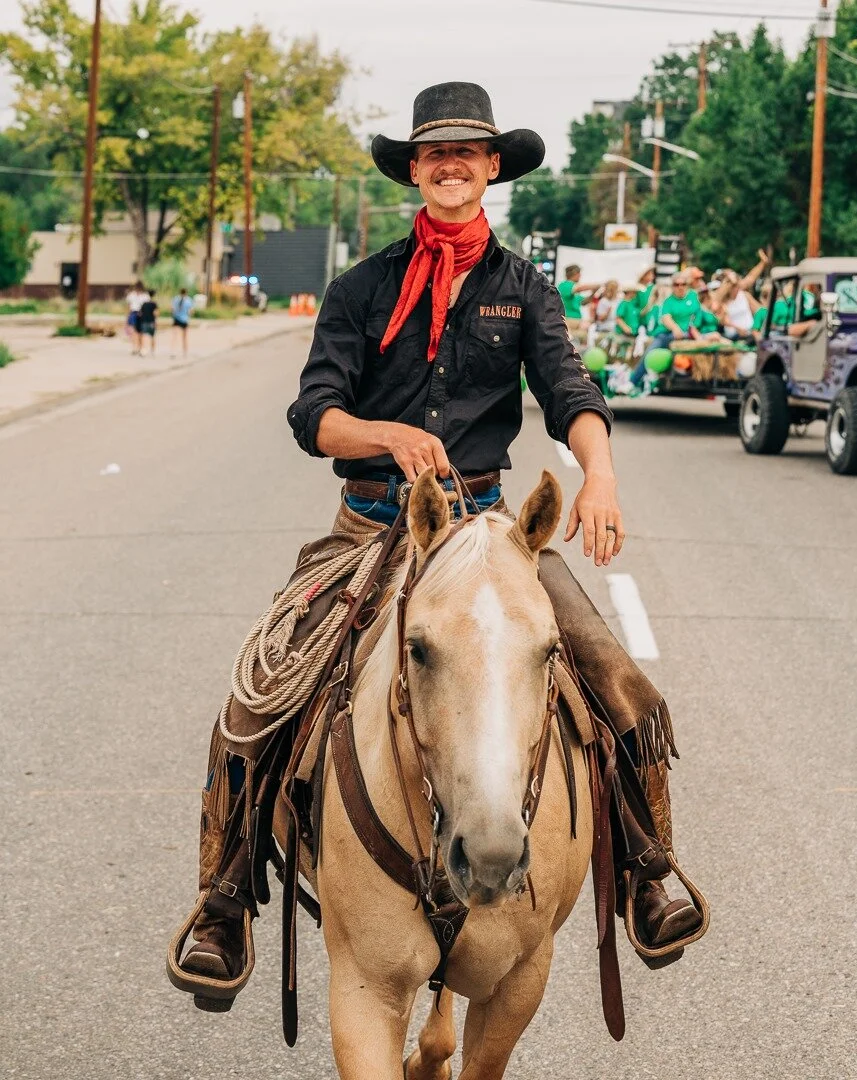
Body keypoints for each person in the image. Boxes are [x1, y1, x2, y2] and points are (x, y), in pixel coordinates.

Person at [169, 81, 705, 1006]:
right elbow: (315, 419)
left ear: (493, 168)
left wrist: (601, 473)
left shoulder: (523, 287)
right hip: (371, 524)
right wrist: (387, 436)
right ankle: (222, 899)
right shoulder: (361, 286)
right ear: (413, 169)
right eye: (432, 152)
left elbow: (571, 393)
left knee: (618, 681)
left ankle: (650, 868)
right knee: (255, 697)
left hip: (489, 536)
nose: (449, 163)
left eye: (468, 151)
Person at [557, 264, 599, 335]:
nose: (580, 275)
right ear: (574, 274)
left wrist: (594, 291)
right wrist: (597, 285)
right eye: (578, 273)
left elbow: (584, 302)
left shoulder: (574, 290)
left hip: (576, 320)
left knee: (581, 339)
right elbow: (580, 288)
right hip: (567, 319)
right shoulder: (564, 285)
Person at [125, 280, 148, 355]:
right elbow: (128, 306)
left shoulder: (145, 296)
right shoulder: (131, 295)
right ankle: (134, 347)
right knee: (133, 332)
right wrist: (128, 315)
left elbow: (147, 307)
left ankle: (141, 347)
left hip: (141, 314)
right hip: (133, 313)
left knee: (141, 331)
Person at [171, 288, 194, 357]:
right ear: (186, 293)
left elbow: (172, 309)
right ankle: (185, 352)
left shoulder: (175, 299)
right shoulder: (189, 300)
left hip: (177, 319)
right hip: (184, 320)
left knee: (175, 336)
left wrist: (174, 315)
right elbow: (191, 312)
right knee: (184, 337)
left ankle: (173, 351)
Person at [139, 290, 158, 355]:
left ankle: (143, 350)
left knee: (143, 336)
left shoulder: (144, 304)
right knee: (152, 336)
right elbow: (156, 313)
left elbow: (140, 313)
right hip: (151, 322)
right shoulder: (154, 304)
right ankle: (153, 351)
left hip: (144, 322)